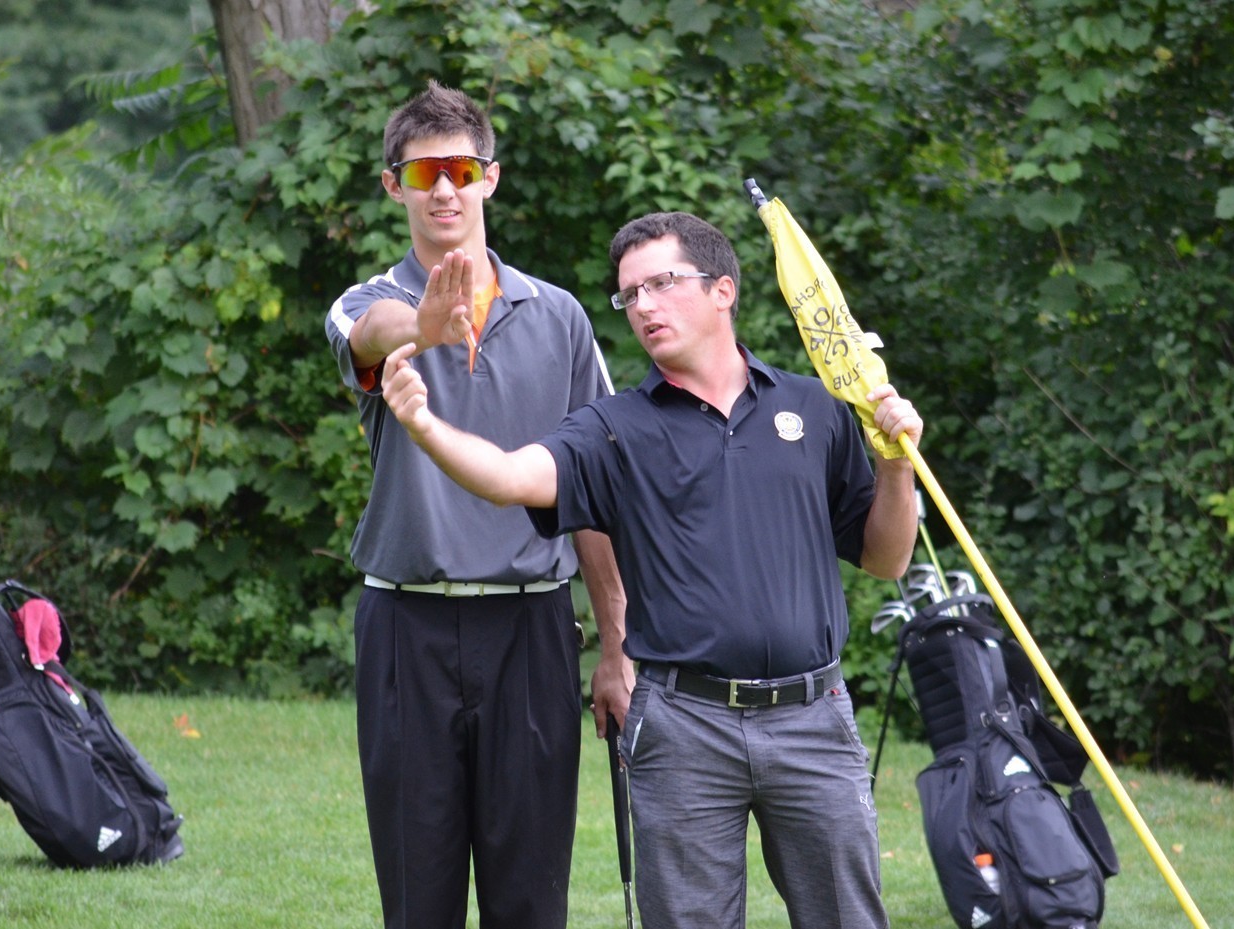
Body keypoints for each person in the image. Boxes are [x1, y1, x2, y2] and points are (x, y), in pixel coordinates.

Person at [378, 210, 923, 929]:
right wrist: (424, 426)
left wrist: (893, 463)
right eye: (629, 295)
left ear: (723, 289)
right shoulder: (615, 428)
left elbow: (886, 557)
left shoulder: (812, 408)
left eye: (661, 284)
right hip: (683, 726)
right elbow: (511, 477)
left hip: (814, 720)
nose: (643, 306)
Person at [322, 81, 633, 929]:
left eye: (462, 168)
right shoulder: (367, 303)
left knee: (531, 896)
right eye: (425, 173)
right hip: (405, 630)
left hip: (532, 630)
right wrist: (423, 326)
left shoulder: (561, 316)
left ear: (490, 178)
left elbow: (594, 496)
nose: (445, 189)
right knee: (419, 897)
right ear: (395, 186)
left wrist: (615, 645)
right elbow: (372, 335)